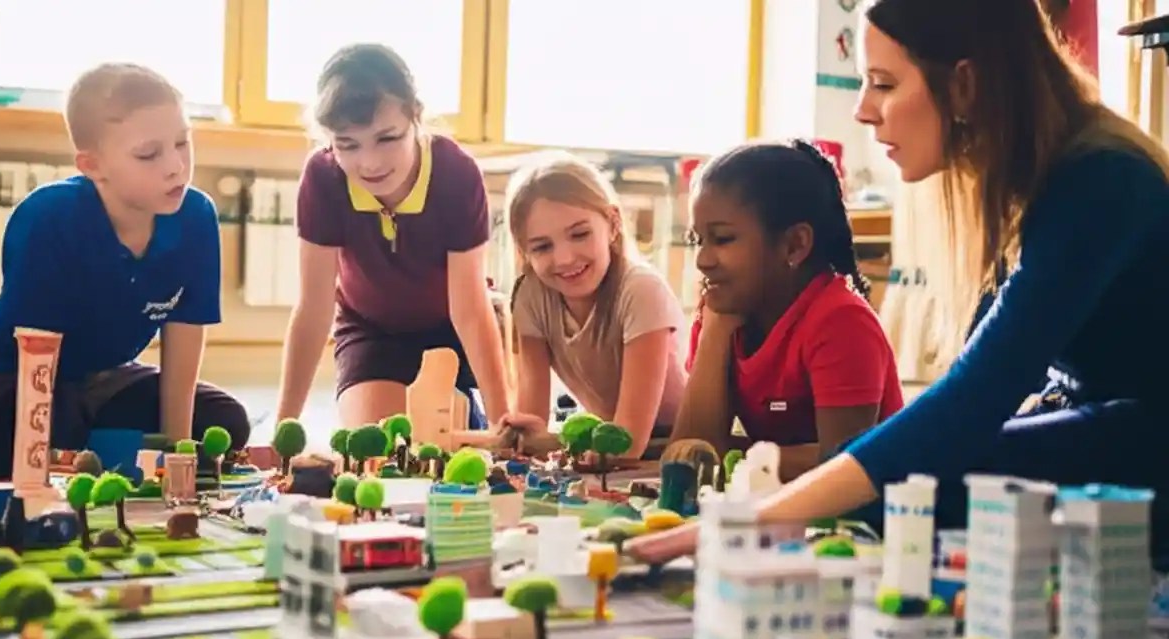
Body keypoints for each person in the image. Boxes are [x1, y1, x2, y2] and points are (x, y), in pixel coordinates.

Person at [631, 0, 1169, 565]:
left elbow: (976, 395)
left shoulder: (1101, 180)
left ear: (965, 84)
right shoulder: (1023, 187)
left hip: (1149, 438)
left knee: (893, 491)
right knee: (894, 480)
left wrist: (760, 515)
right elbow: (971, 396)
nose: (863, 111)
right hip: (1112, 424)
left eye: (883, 84)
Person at [0, 63, 249, 480]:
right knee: (23, 431)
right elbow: (37, 357)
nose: (176, 166)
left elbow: (185, 329)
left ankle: (88, 451)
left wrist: (176, 451)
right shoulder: (49, 216)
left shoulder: (196, 215)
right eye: (149, 154)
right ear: (92, 165)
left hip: (106, 382)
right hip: (16, 381)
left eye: (182, 143)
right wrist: (37, 444)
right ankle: (63, 450)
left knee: (225, 421)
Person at [276, 44, 510, 430]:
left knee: (443, 444)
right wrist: (285, 425)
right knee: (379, 448)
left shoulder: (456, 173)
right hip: (371, 330)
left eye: (387, 138)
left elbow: (469, 310)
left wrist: (504, 418)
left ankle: (472, 408)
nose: (369, 163)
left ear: (415, 116)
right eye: (348, 145)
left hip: (448, 327)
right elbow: (313, 309)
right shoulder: (323, 176)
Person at [673, 140, 902, 480]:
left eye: (722, 239)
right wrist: (716, 330)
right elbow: (688, 454)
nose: (703, 260)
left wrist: (736, 457)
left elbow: (843, 462)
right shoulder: (725, 312)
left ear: (794, 244)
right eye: (698, 241)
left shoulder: (840, 321)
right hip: (778, 508)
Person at [498, 152, 686, 459]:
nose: (565, 259)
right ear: (524, 251)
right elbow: (532, 420)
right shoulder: (530, 296)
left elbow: (627, 443)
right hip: (611, 445)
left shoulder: (641, 289)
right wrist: (522, 436)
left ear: (612, 224)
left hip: (676, 443)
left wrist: (551, 443)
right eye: (543, 246)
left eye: (580, 234)